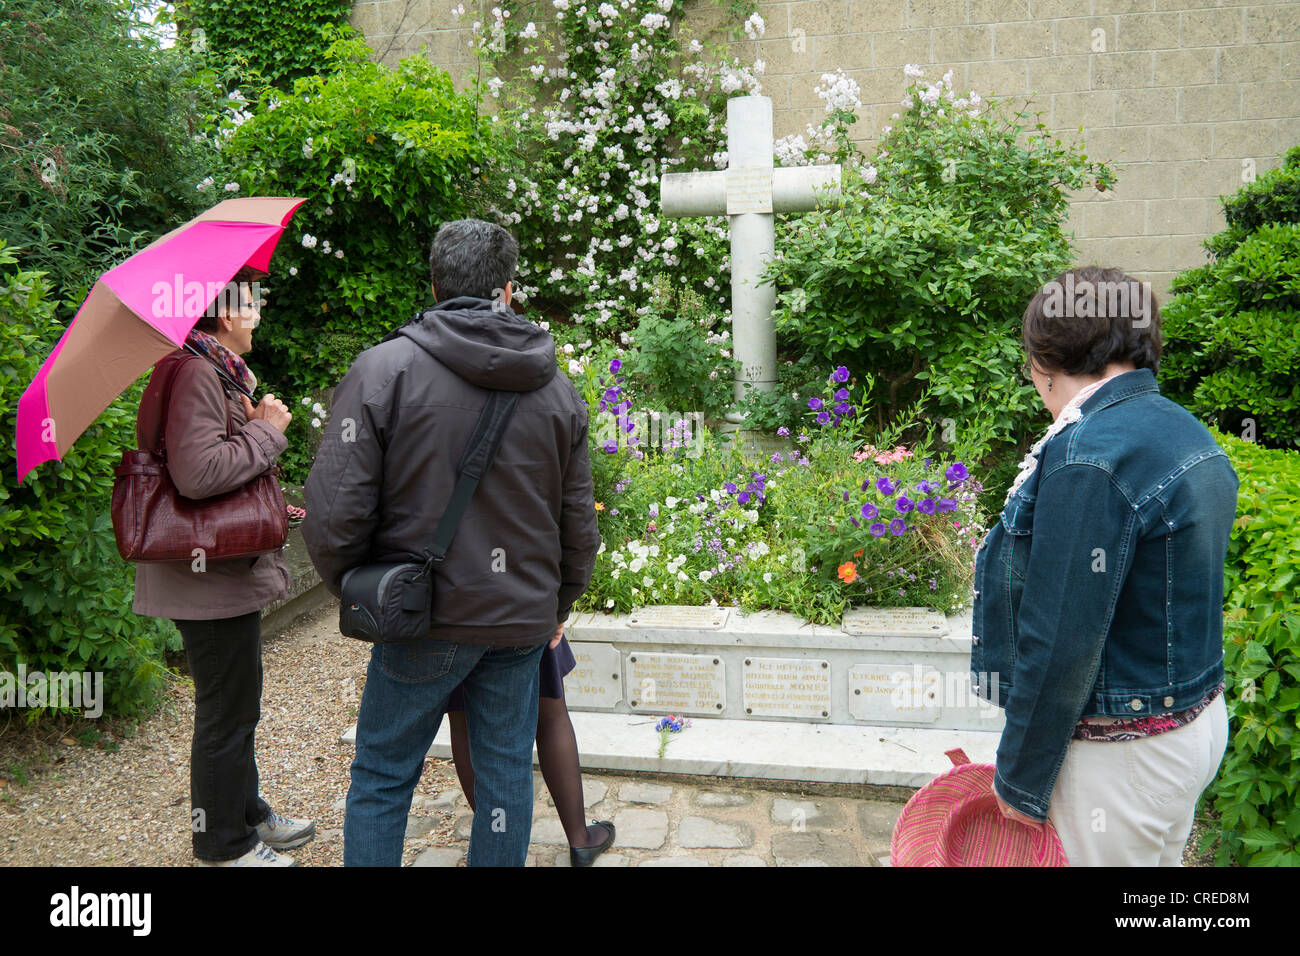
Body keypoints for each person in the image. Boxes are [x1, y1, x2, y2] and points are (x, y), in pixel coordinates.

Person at [303, 219, 602, 867]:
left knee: (383, 775)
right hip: (519, 620)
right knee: (502, 778)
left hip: (423, 617)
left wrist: (363, 588)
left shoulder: (385, 370)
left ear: (435, 284)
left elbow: (331, 518)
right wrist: (557, 607)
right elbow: (579, 525)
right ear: (509, 291)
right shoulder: (556, 390)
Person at [971, 265, 1238, 866]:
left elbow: (1063, 632)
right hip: (1192, 726)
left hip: (1120, 754)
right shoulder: (1181, 428)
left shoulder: (1089, 453)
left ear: (1044, 358)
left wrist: (1020, 775)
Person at [132, 265, 316, 867]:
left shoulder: (211, 370)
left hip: (215, 573)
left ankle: (248, 813)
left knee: (238, 704)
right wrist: (267, 433)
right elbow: (198, 473)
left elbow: (217, 468)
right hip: (201, 579)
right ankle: (223, 844)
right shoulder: (193, 374)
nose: (259, 314)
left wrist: (262, 473)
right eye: (253, 304)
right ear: (226, 313)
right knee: (225, 712)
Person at [446, 633, 615, 867]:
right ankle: (580, 839)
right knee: (550, 712)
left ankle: (496, 840)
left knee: (464, 719)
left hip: (450, 618)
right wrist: (560, 610)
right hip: (518, 611)